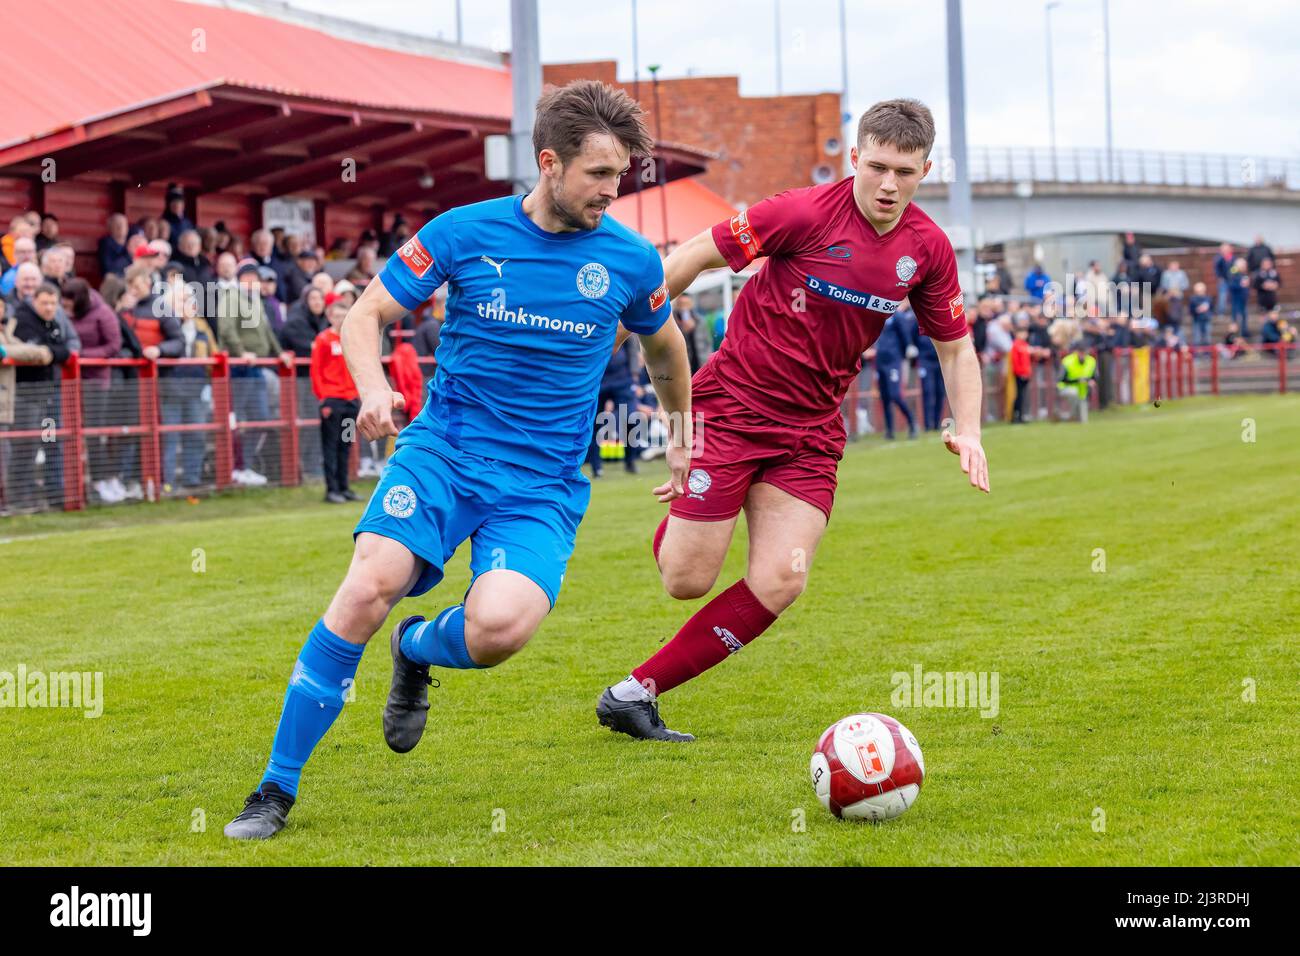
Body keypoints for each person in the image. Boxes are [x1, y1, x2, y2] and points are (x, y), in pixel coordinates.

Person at [222, 79, 690, 840]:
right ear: (549, 163)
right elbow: (367, 313)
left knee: (500, 629)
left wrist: (682, 430)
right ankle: (274, 789)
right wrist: (372, 388)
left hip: (540, 486)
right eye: (600, 174)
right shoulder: (464, 231)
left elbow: (665, 346)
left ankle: (414, 648)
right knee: (370, 580)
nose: (615, 189)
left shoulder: (632, 262)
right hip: (444, 453)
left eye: (623, 174)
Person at [595, 97, 988, 743]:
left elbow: (954, 346)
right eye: (879, 167)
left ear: (924, 172)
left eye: (907, 173)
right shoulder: (801, 212)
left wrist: (968, 427)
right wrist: (625, 327)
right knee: (686, 580)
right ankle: (693, 511)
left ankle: (634, 694)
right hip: (731, 408)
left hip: (808, 434)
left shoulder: (927, 247)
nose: (890, 185)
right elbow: (695, 253)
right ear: (855, 157)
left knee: (784, 577)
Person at [8, 283, 72, 509]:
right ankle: (18, 498)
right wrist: (51, 353)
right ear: (34, 301)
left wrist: (50, 353)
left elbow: (64, 350)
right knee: (25, 446)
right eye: (44, 302)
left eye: (53, 303)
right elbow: (36, 352)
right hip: (27, 397)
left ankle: (51, 494)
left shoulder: (53, 323)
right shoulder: (24, 320)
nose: (49, 307)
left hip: (48, 397)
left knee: (49, 441)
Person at [310, 298, 361, 504]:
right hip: (333, 401)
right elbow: (316, 372)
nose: (341, 319)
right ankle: (331, 489)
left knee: (346, 444)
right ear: (330, 317)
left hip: (350, 401)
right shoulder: (323, 340)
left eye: (344, 315)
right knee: (330, 445)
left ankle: (344, 486)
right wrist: (324, 399)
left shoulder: (352, 339)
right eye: (337, 315)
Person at [871, 308, 917, 439]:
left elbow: (905, 335)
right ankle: (889, 431)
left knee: (895, 395)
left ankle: (912, 422)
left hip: (893, 361)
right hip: (880, 361)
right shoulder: (878, 315)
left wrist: (908, 347)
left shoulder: (897, 316)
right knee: (884, 397)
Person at [1057, 342, 1097, 422]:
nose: (1082, 353)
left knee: (1083, 421)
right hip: (1066, 388)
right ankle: (1071, 416)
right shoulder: (1067, 360)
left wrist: (1092, 381)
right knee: (1073, 393)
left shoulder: (1091, 361)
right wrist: (1078, 380)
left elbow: (1095, 377)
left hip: (1082, 391)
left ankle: (1065, 417)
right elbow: (1061, 379)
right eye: (1080, 351)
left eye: (1084, 351)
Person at [1009, 325, 1032, 423]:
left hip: (1026, 374)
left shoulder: (1025, 345)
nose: (1024, 335)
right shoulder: (1016, 345)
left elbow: (1027, 361)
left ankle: (1021, 416)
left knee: (1022, 396)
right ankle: (1016, 416)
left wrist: (1028, 373)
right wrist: (1020, 372)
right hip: (1019, 374)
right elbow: (1015, 361)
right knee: (1019, 395)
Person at [1188, 281, 1214, 347]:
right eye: (1198, 291)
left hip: (1206, 319)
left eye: (1201, 290)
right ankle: (1197, 353)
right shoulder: (1193, 299)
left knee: (1207, 337)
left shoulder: (1208, 298)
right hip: (1197, 320)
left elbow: (1212, 308)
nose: (1200, 292)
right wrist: (1197, 310)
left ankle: (1207, 353)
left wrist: (1208, 313)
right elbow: (1191, 310)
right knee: (1197, 338)